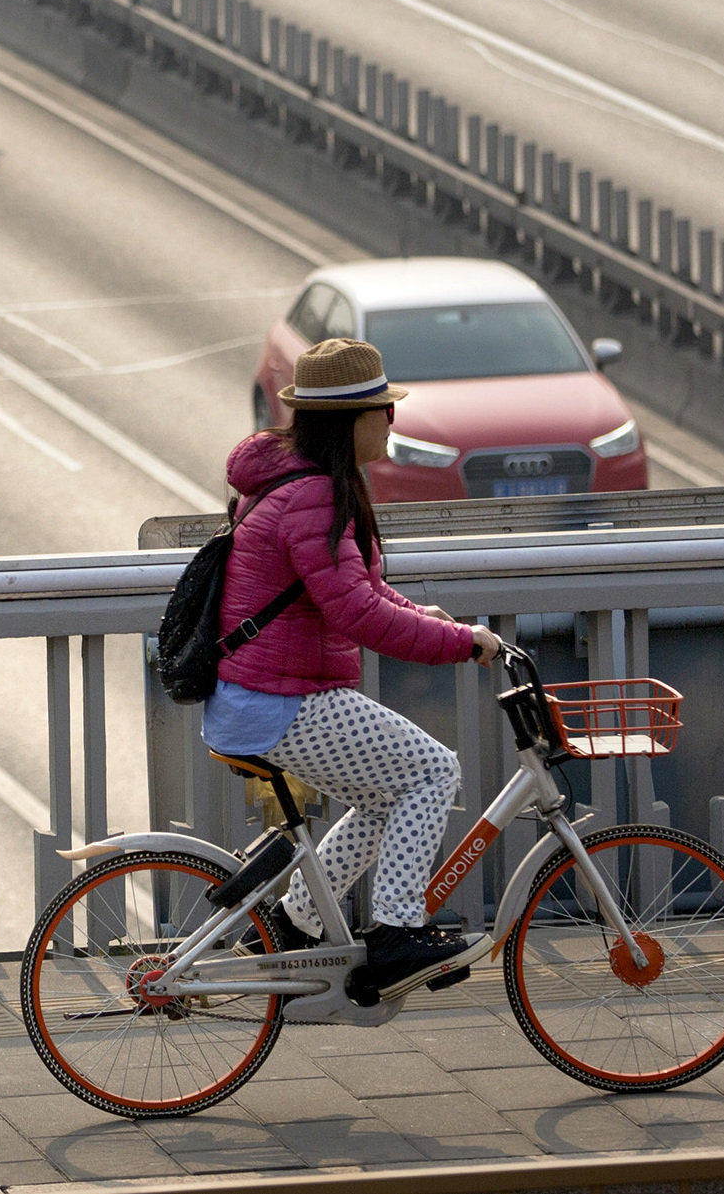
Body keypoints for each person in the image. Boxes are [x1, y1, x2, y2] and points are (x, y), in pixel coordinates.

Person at [205, 336, 503, 994]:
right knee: (433, 769)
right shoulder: (312, 495)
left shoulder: (302, 483)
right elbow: (358, 616)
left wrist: (438, 623)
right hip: (276, 699)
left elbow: (359, 590)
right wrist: (458, 646)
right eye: (384, 409)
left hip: (263, 695)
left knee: (384, 795)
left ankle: (293, 924)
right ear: (351, 420)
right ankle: (395, 933)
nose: (393, 421)